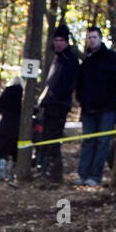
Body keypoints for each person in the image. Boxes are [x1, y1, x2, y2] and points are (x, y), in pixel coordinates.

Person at [74, 25, 116, 187]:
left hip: (107, 109)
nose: (91, 40)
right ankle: (83, 174)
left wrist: (107, 96)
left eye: (94, 37)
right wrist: (82, 100)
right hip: (88, 109)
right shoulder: (86, 62)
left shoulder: (113, 58)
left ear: (100, 38)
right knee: (88, 141)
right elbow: (79, 84)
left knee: (102, 142)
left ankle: (95, 176)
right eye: (89, 37)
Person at [35, 23, 79, 184]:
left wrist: (53, 99)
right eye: (56, 40)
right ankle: (45, 170)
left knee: (53, 140)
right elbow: (50, 84)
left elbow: (66, 85)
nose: (58, 43)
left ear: (67, 41)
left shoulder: (70, 60)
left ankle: (54, 175)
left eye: (61, 40)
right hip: (49, 106)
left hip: (59, 107)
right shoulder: (57, 59)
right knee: (46, 139)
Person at [0, 79, 23, 183]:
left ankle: (2, 170)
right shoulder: (24, 94)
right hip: (18, 128)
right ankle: (12, 174)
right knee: (16, 153)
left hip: (4, 126)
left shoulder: (4, 93)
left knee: (3, 151)